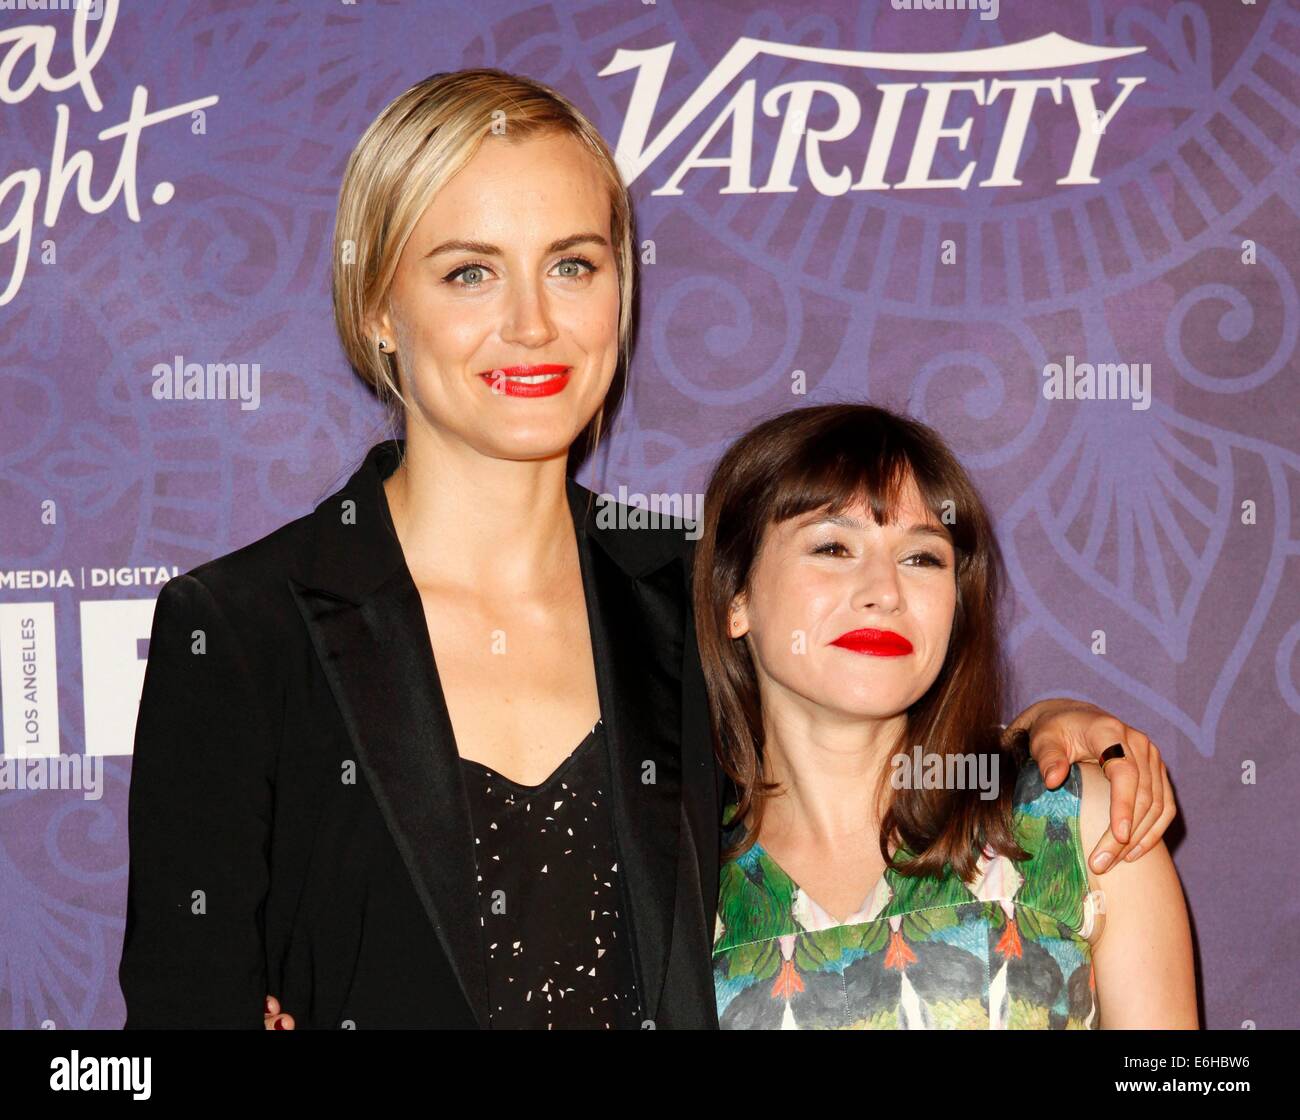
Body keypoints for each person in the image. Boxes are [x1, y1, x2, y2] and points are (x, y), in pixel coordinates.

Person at [116, 68, 1175, 1031]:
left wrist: (1051, 731)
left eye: (571, 265)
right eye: (469, 273)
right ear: (379, 307)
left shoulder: (688, 583)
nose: (533, 324)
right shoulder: (247, 629)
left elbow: (869, 736)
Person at [698, 404, 1196, 1028]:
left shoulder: (1080, 824)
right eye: (833, 546)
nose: (885, 589)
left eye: (922, 558)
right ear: (735, 598)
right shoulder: (674, 882)